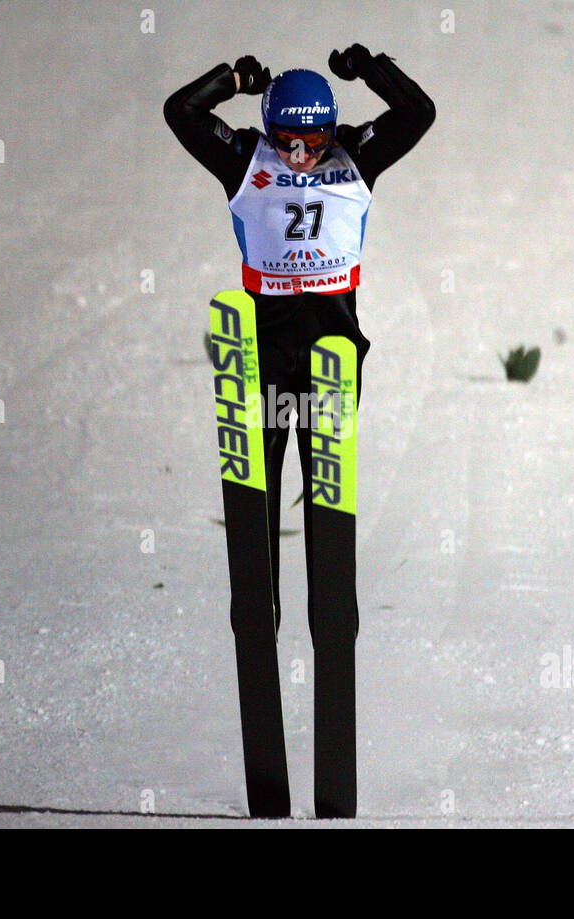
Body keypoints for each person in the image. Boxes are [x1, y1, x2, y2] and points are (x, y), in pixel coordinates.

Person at [165, 45, 435, 640]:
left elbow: (418, 112)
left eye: (315, 142)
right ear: (270, 131)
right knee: (256, 493)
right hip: (260, 359)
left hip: (332, 357)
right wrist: (230, 81)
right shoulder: (244, 158)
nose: (302, 155)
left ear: (332, 131)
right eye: (290, 141)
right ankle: (258, 618)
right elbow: (180, 112)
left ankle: (333, 617)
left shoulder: (356, 157)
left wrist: (371, 69)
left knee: (327, 494)